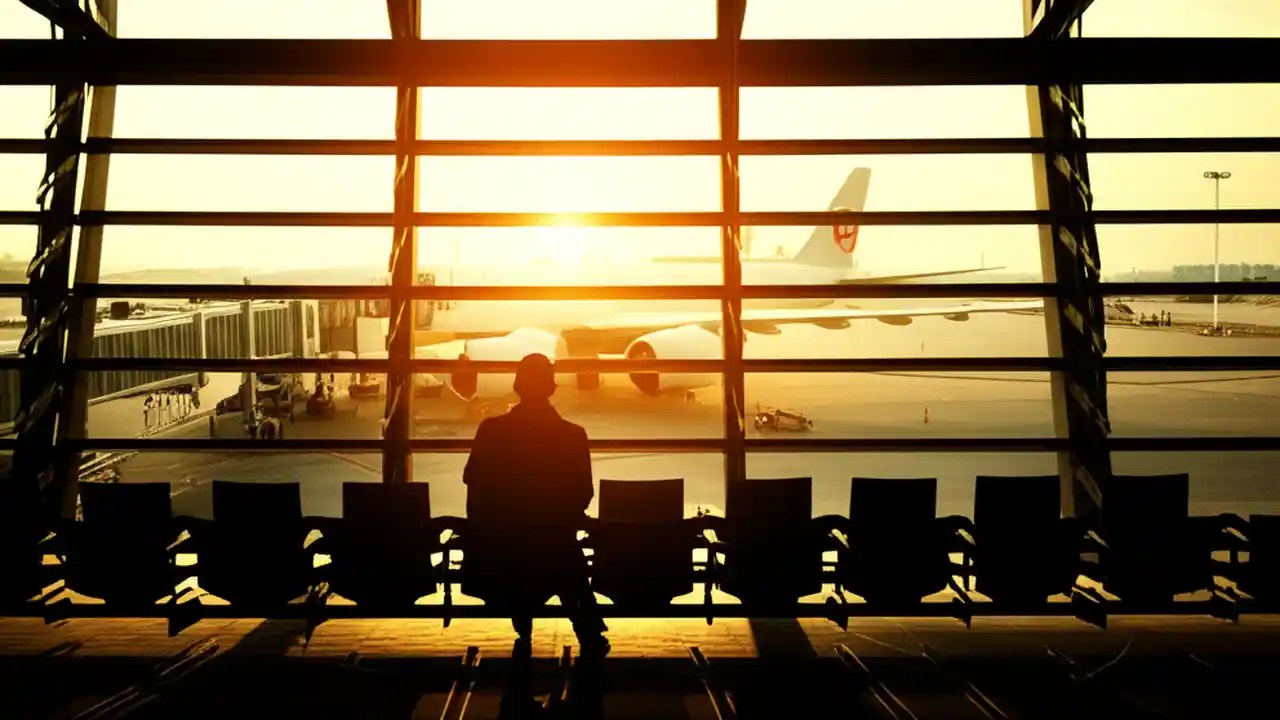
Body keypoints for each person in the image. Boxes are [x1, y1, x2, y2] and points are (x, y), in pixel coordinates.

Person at [462, 353, 609, 656]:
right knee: (565, 556)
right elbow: (583, 493)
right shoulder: (573, 436)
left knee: (533, 554)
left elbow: (474, 485)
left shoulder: (490, 431)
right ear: (552, 388)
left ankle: (526, 625)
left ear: (517, 385)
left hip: (501, 548)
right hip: (553, 545)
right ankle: (589, 631)